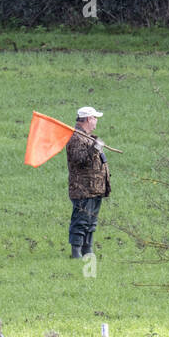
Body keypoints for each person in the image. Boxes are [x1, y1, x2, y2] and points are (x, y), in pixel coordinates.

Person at [66, 105, 110, 258]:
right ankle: (76, 252)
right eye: (94, 118)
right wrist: (95, 148)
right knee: (81, 220)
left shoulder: (88, 137)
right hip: (82, 188)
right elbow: (80, 160)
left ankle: (87, 249)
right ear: (88, 119)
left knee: (91, 221)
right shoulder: (76, 137)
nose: (96, 121)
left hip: (94, 188)